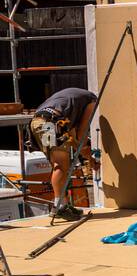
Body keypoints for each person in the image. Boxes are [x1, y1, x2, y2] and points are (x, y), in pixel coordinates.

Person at [29, 87, 99, 221]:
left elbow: (74, 141)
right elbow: (81, 135)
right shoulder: (92, 101)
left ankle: (64, 204)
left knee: (62, 167)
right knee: (60, 166)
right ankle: (60, 207)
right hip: (50, 123)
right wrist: (91, 159)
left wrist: (89, 158)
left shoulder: (72, 105)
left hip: (39, 122)